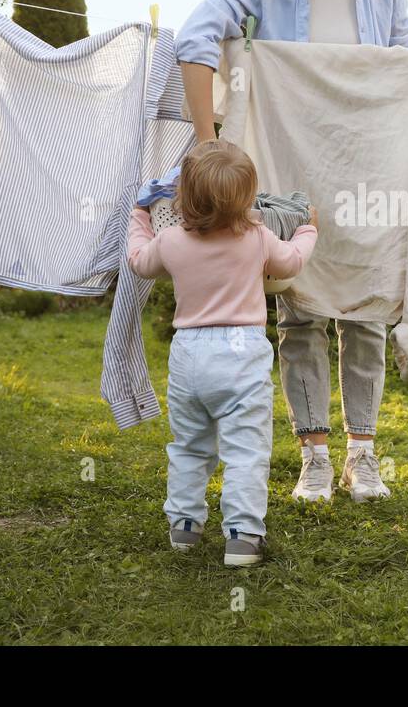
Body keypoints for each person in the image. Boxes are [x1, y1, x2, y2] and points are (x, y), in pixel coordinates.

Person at [176, 0, 408, 504]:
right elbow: (194, 35)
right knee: (298, 310)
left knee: (366, 309)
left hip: (365, 170)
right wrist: (205, 143)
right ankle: (315, 458)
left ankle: (364, 455)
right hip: (289, 164)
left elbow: (393, 76)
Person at [127, 140, 318, 566]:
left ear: (184, 196)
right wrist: (308, 230)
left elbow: (139, 260)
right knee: (246, 450)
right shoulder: (257, 237)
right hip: (240, 352)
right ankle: (243, 537)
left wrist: (139, 216)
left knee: (190, 445)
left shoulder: (172, 239)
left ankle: (184, 528)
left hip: (189, 353)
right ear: (247, 199)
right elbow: (290, 264)